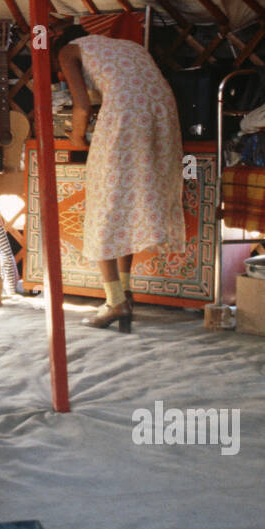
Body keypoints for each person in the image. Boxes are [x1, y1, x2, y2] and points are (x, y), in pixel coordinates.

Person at [55, 24, 187, 332]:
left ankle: (114, 302)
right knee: (126, 204)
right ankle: (126, 293)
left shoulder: (68, 51)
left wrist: (76, 138)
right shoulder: (127, 47)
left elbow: (82, 105)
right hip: (164, 113)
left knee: (105, 204)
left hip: (127, 116)